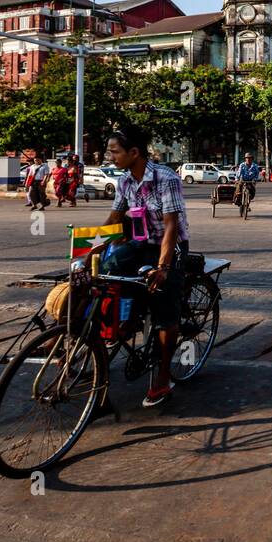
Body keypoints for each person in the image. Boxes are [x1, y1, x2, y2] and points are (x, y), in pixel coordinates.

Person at [102, 124, 192, 406]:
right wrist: (89, 248)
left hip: (170, 246)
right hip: (141, 243)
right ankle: (125, 320)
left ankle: (163, 379)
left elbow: (171, 227)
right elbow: (115, 217)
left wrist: (164, 267)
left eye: (114, 151)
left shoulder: (165, 178)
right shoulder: (125, 180)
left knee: (165, 310)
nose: (110, 156)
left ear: (134, 152)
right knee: (105, 272)